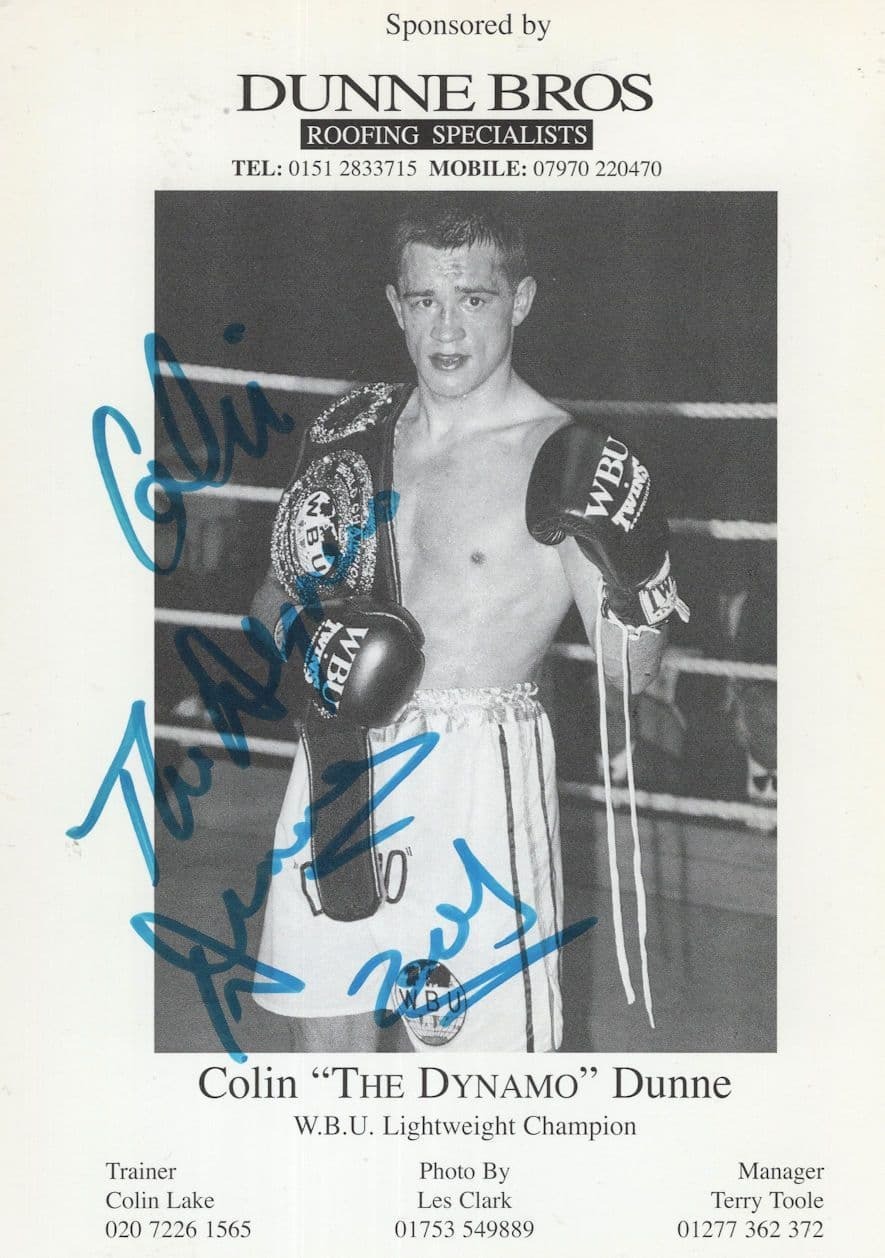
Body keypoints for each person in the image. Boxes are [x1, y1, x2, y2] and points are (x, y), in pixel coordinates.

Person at [250, 201, 687, 1051]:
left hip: (474, 771)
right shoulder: (353, 432)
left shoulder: (560, 456)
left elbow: (628, 668)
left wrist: (643, 572)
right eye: (424, 302)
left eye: (474, 301)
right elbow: (271, 594)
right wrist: (306, 636)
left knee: (476, 1066)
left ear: (519, 301)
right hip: (337, 755)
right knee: (321, 1034)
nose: (447, 329)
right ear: (395, 306)